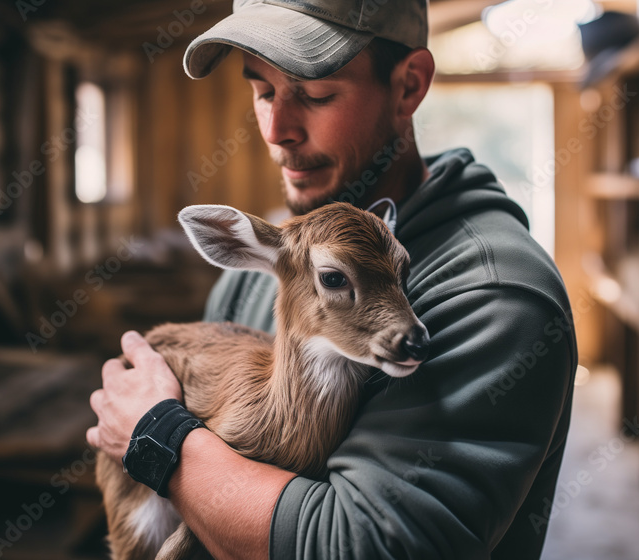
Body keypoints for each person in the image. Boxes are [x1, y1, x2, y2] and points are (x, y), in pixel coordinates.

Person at [86, 1, 577, 558]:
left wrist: (160, 439)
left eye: (315, 94)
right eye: (263, 91)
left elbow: (363, 546)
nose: (277, 130)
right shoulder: (257, 274)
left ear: (409, 87)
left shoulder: (493, 297)